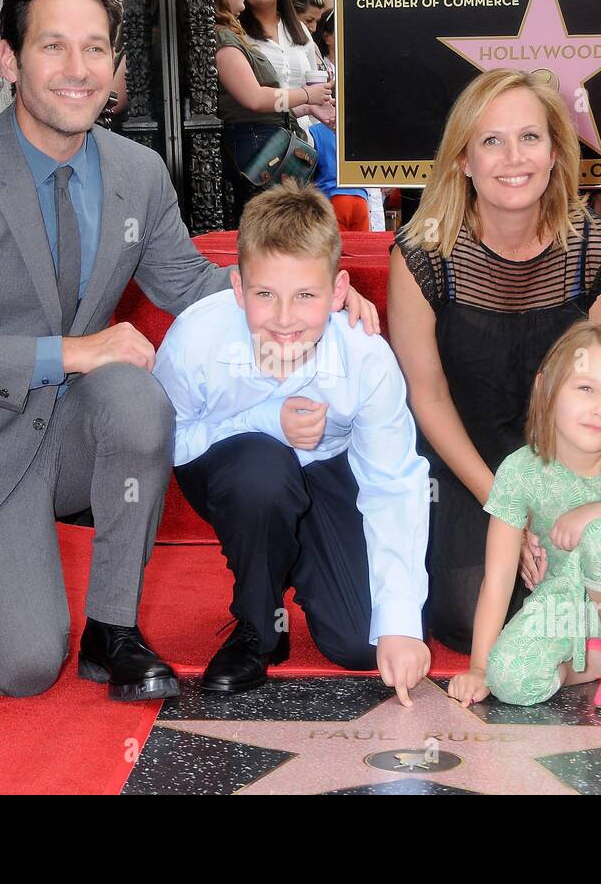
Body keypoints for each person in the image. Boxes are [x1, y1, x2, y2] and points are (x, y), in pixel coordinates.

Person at [0, 0, 378, 703]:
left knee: (138, 396)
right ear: (10, 61)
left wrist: (305, 298)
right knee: (23, 667)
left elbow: (191, 284)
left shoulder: (137, 173)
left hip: (73, 431)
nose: (78, 69)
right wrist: (79, 350)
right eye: (53, 46)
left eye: (96, 48)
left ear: (115, 67)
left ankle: (112, 628)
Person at [154, 180, 431, 704]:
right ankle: (258, 628)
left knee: (359, 642)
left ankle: (300, 553)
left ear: (339, 291)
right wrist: (263, 420)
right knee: (263, 468)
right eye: (265, 295)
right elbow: (166, 441)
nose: (284, 318)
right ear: (238, 289)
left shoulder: (365, 358)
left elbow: (393, 483)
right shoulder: (197, 338)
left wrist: (400, 623)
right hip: (233, 473)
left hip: (327, 474)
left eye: (306, 295)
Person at [388, 68, 601, 656]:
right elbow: (428, 397)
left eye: (530, 137)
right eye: (490, 140)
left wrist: (556, 506)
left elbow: (596, 400)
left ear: (554, 152)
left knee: (593, 592)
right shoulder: (422, 254)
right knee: (473, 617)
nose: (512, 157)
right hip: (466, 469)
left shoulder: (598, 249)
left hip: (562, 464)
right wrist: (507, 507)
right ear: (463, 161)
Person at [447, 321, 601, 711]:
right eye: (586, 389)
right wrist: (479, 668)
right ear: (545, 387)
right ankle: (597, 657)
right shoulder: (519, 470)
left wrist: (600, 510)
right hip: (568, 604)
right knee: (508, 676)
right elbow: (498, 576)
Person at [212, 0, 333, 222]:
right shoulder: (226, 37)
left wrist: (309, 106)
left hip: (286, 137)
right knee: (272, 224)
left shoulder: (298, 32)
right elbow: (255, 99)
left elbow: (272, 101)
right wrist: (305, 94)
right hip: (258, 142)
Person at [239, 0, 333, 135]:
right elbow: (255, 100)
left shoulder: (299, 29)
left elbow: (313, 88)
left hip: (304, 141)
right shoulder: (239, 35)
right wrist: (305, 97)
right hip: (264, 140)